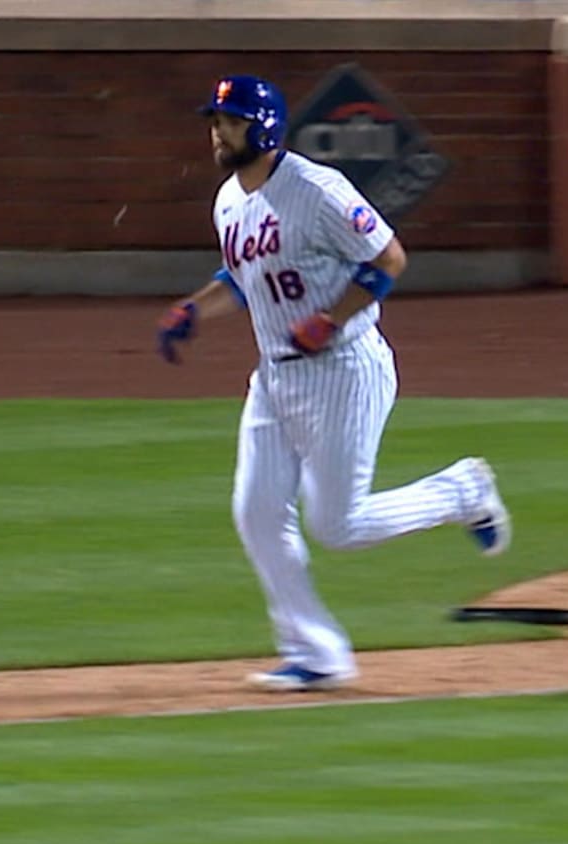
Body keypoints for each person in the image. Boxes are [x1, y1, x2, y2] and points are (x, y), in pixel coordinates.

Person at [156, 74, 511, 693]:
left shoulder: (318, 189)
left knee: (337, 527)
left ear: (262, 127)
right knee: (258, 513)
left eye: (230, 121)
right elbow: (245, 276)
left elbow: (389, 258)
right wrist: (192, 309)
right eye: (215, 120)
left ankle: (462, 491)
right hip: (273, 379)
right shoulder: (228, 201)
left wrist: (331, 319)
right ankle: (315, 652)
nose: (217, 131)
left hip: (344, 372)